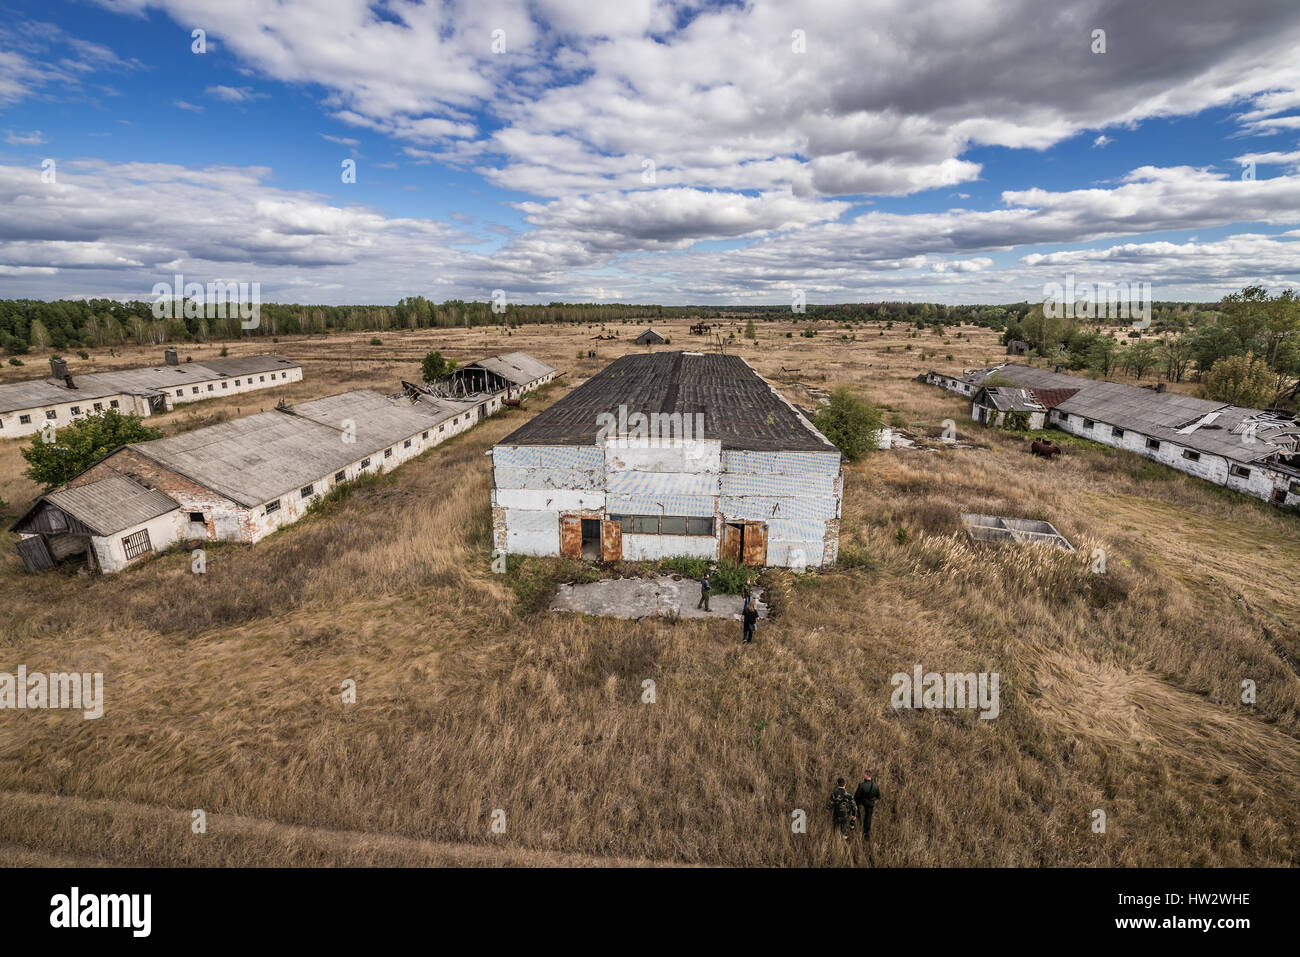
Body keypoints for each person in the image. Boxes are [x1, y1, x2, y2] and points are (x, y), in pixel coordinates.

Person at [854, 770, 882, 840]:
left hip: (862, 803)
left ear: (866, 775)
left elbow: (856, 796)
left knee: (857, 810)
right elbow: (878, 797)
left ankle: (858, 820)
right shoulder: (875, 785)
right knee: (868, 819)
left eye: (864, 774)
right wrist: (873, 802)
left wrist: (858, 803)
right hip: (870, 804)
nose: (863, 775)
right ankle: (866, 834)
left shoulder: (861, 785)